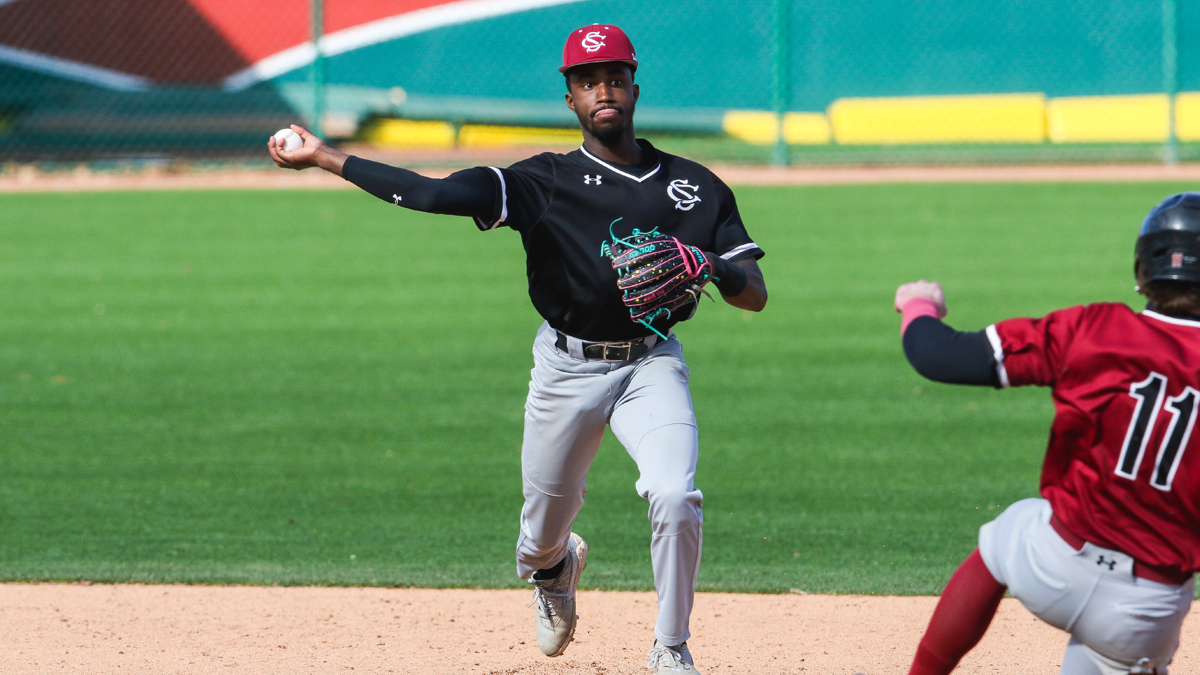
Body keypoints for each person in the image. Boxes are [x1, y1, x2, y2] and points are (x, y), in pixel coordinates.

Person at [268, 24, 767, 675]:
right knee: (536, 542)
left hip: (651, 362)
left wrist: (711, 264)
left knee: (675, 493)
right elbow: (434, 193)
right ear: (571, 99)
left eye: (614, 77)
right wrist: (326, 156)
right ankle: (555, 569)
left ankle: (671, 647)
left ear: (635, 87)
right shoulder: (544, 181)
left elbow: (753, 291)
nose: (603, 90)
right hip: (566, 368)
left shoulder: (694, 187)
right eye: (588, 81)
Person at [893, 193, 1200, 675]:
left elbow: (939, 356)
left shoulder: (1096, 329)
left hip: (1054, 563)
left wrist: (918, 306)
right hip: (1147, 609)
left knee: (1009, 532)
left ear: (1144, 267)